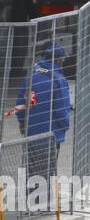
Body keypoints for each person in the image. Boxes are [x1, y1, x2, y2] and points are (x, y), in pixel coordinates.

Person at [15, 42, 72, 191]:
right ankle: (42, 202)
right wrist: (65, 125)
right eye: (63, 59)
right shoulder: (58, 80)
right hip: (51, 133)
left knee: (32, 168)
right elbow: (61, 109)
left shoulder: (31, 75)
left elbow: (21, 102)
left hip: (31, 130)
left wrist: (22, 122)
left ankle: (30, 200)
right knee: (47, 170)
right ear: (59, 60)